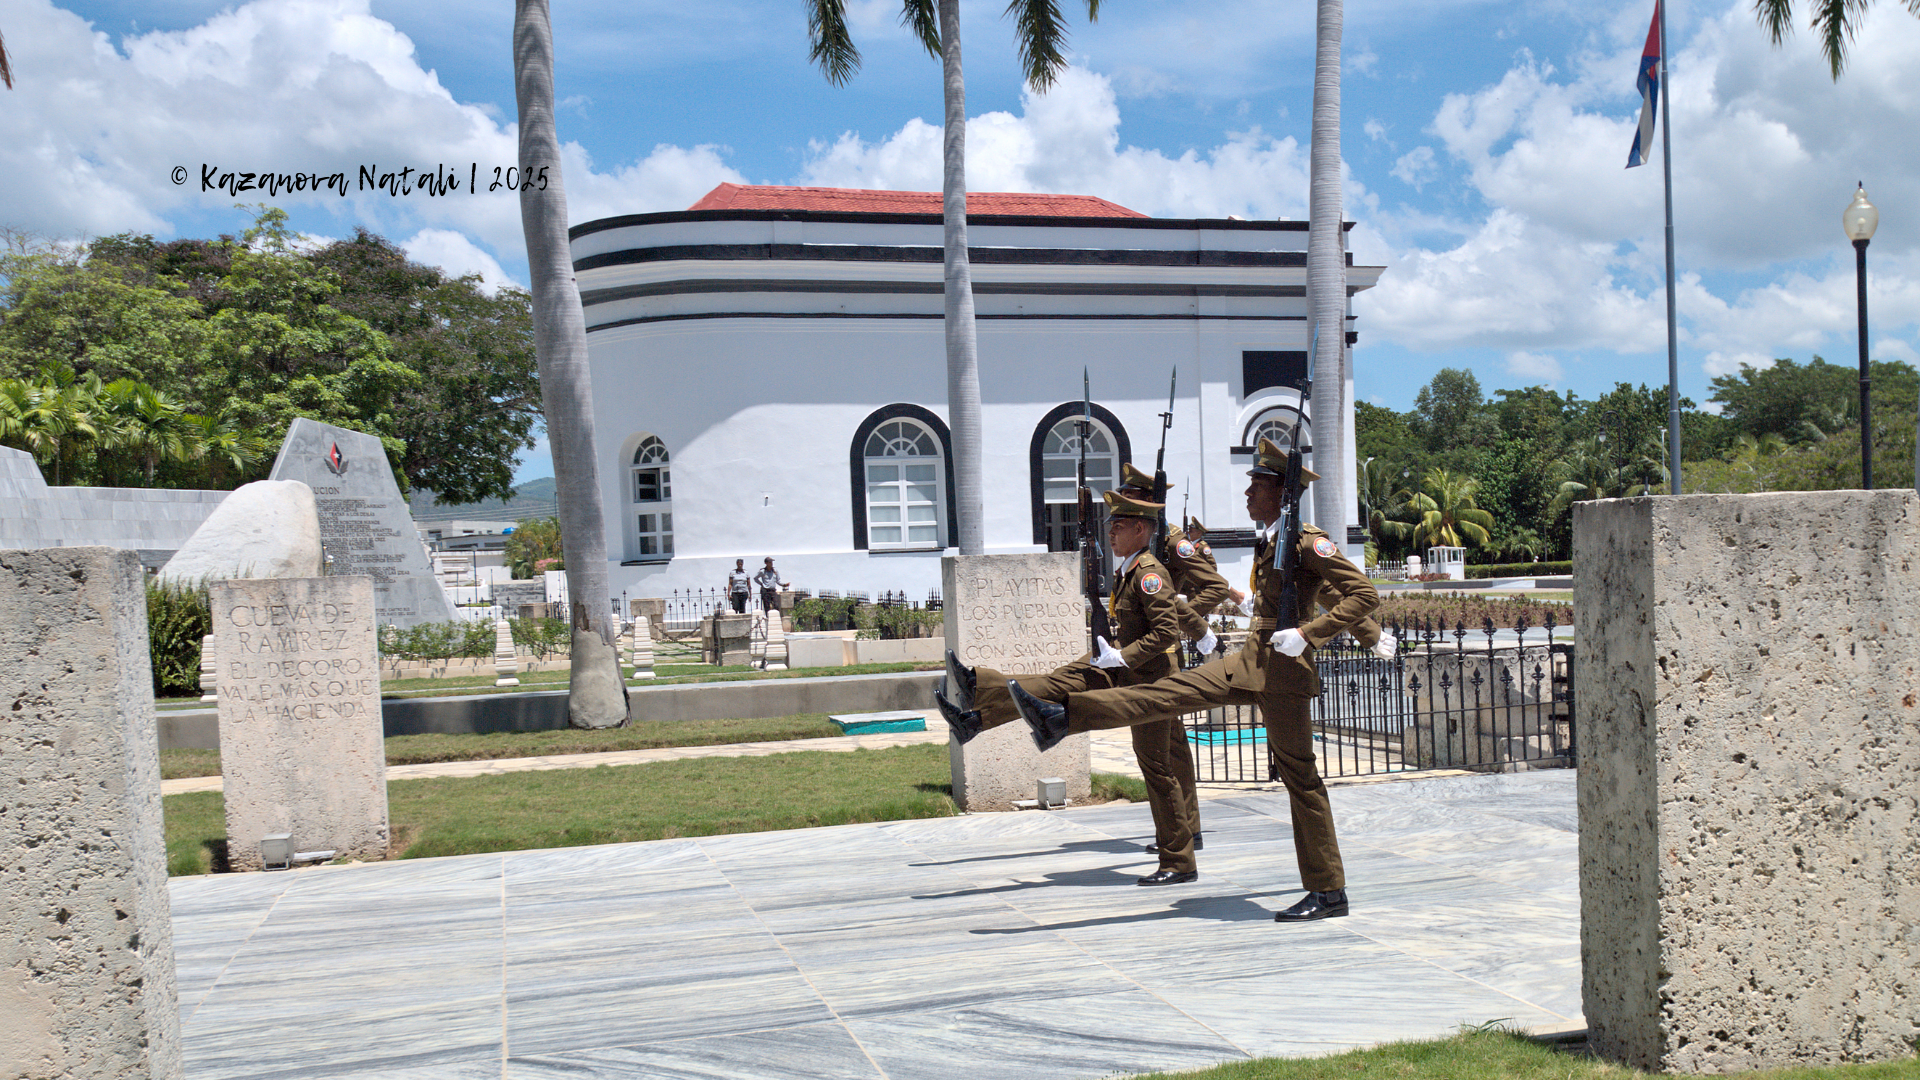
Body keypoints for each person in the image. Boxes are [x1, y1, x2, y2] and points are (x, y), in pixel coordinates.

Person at [1003, 438, 1380, 923]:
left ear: (1280, 493)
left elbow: (1362, 594)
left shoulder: (1309, 540)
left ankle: (1329, 891)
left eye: (1256, 486)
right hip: (1251, 659)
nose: (1246, 494)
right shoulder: (1272, 537)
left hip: (1285, 674)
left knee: (1301, 780)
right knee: (1168, 693)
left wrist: (1309, 633)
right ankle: (1062, 717)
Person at [936, 490, 1199, 885]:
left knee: (1156, 768)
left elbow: (1165, 633)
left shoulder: (1149, 573)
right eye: (1111, 525)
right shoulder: (1128, 569)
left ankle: (1179, 860)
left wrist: (1122, 657)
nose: (1112, 533)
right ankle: (978, 701)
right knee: (1061, 681)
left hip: (1150, 680)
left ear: (1141, 529)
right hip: (1124, 666)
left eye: (1120, 526)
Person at [1113, 463, 1230, 857]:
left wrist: (1183, 616)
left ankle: (1184, 831)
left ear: (1148, 504)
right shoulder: (1143, 547)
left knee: (1170, 746)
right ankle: (1185, 828)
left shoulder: (1173, 541)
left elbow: (1215, 585)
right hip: (1147, 649)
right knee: (1173, 743)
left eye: (1134, 499)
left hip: (1160, 652)